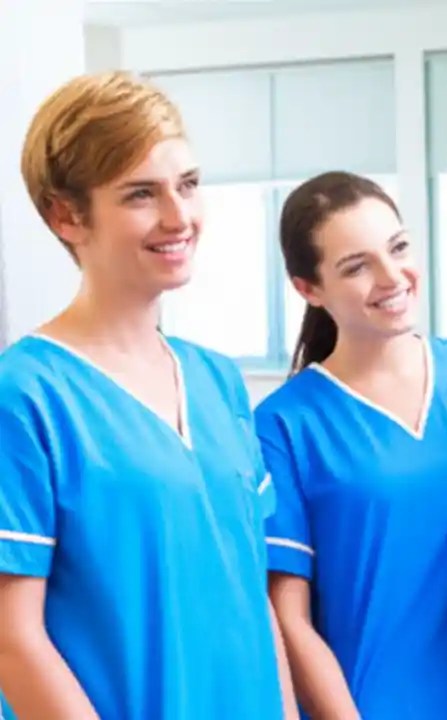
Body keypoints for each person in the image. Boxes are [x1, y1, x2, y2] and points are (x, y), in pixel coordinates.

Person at [0, 71, 294, 718]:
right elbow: (11, 640)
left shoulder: (218, 380)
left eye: (187, 184)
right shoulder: (26, 395)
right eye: (141, 194)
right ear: (65, 215)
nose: (179, 217)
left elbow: (252, 595)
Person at [255, 171, 447, 719]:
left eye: (398, 248)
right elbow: (288, 619)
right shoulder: (285, 425)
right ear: (309, 289)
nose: (392, 277)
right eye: (356, 266)